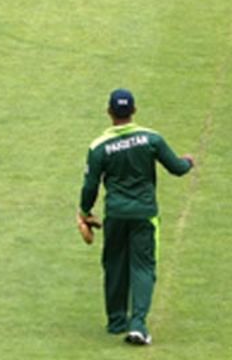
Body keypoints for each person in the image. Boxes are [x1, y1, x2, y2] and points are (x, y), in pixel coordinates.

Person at [78, 89, 194, 346]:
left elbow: (90, 186)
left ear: (109, 112)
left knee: (115, 265)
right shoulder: (151, 139)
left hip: (115, 215)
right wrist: (188, 162)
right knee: (143, 267)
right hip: (144, 214)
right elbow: (176, 168)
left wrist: (85, 213)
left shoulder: (98, 147)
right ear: (134, 110)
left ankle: (116, 320)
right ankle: (138, 325)